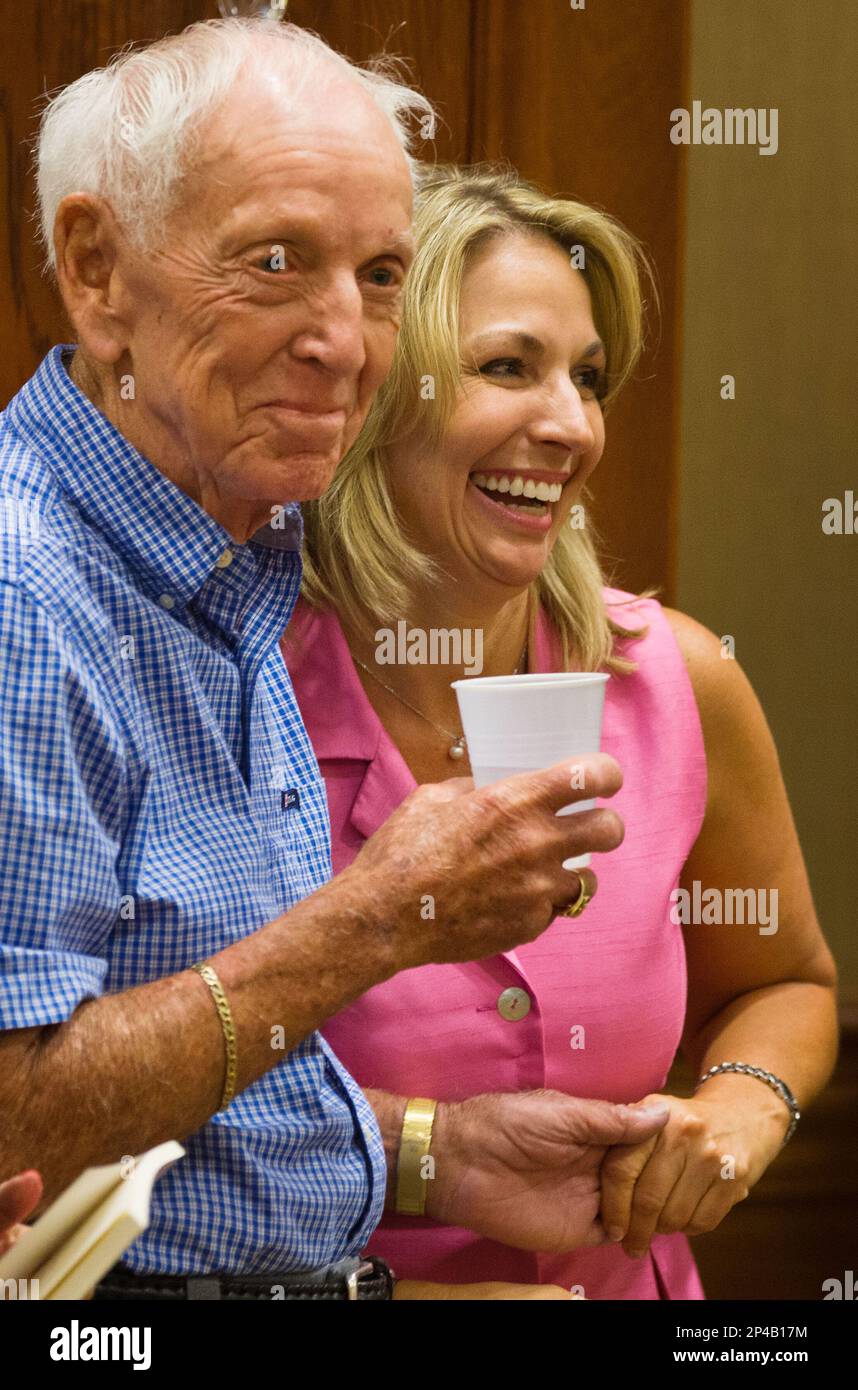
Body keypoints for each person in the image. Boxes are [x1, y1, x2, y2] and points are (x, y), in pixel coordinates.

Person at [0, 18, 667, 1302]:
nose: (345, 341)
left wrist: (436, 1156)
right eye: (275, 260)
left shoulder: (240, 548)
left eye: (375, 277)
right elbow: (17, 1127)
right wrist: (380, 920)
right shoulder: (30, 594)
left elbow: (188, 1115)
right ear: (97, 271)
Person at [284, 162, 839, 1299]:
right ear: (382, 390)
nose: (571, 425)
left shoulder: (677, 679)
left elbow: (788, 981)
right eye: (507, 368)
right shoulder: (242, 699)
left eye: (587, 379)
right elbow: (146, 1113)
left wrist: (740, 1105)